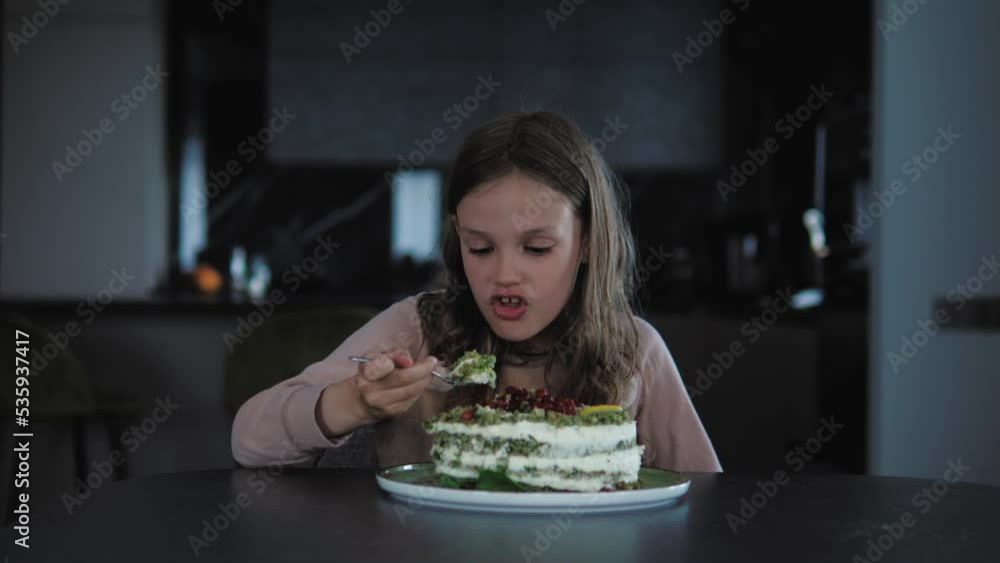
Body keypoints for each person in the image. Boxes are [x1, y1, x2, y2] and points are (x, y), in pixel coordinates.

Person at [231, 111, 722, 473]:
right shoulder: (419, 330)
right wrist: (352, 403)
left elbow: (707, 501)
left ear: (589, 242)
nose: (505, 274)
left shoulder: (633, 350)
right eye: (481, 248)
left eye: (536, 248)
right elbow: (247, 438)